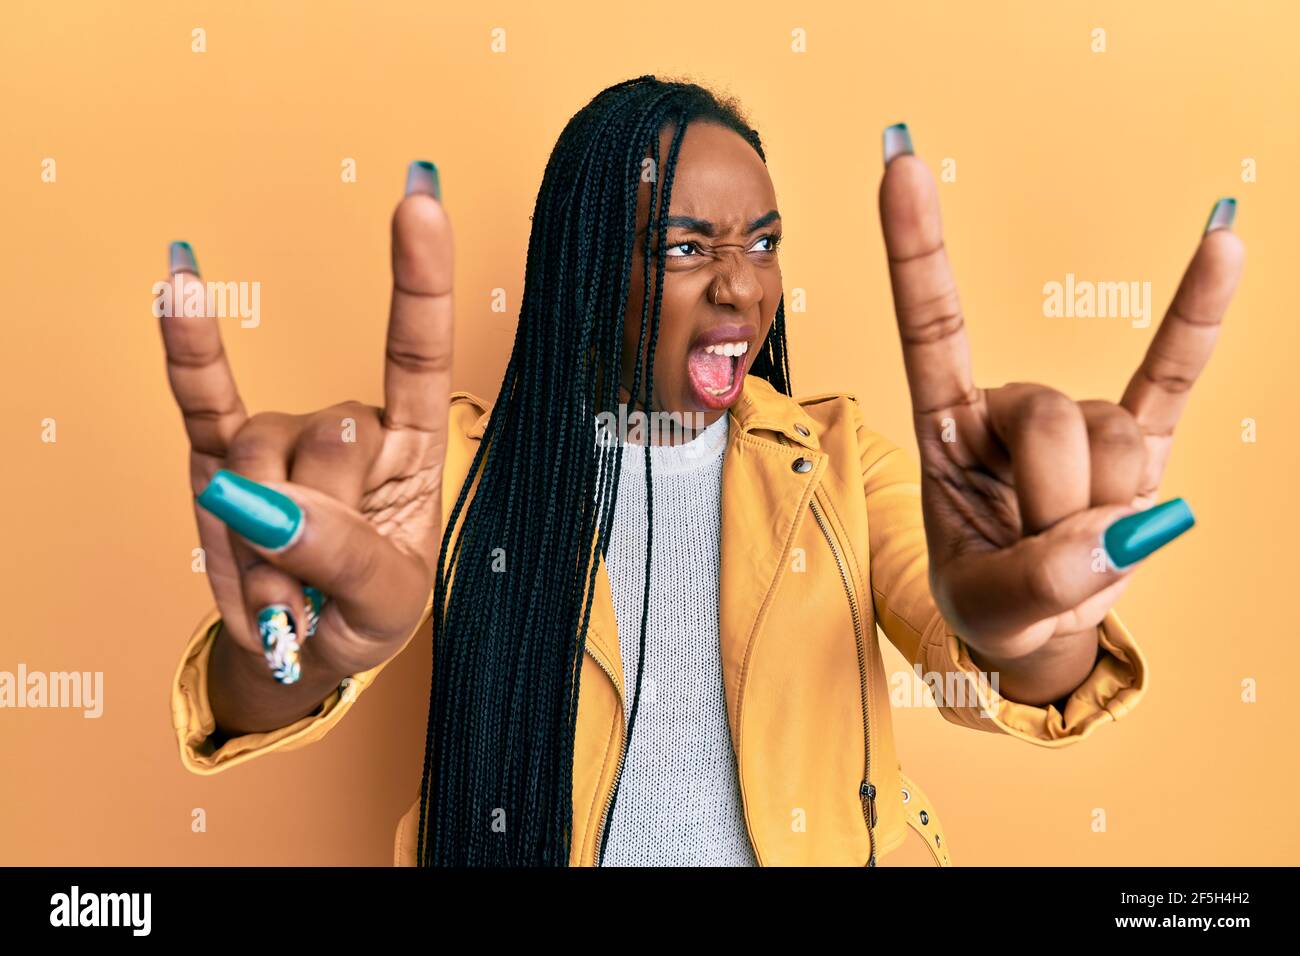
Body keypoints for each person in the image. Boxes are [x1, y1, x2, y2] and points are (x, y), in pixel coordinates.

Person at [163, 76, 1244, 867]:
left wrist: (1042, 631)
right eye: (686, 248)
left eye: (762, 243)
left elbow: (990, 658)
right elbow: (253, 692)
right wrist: (290, 653)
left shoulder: (835, 458)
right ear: (586, 270)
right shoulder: (452, 471)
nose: (741, 287)